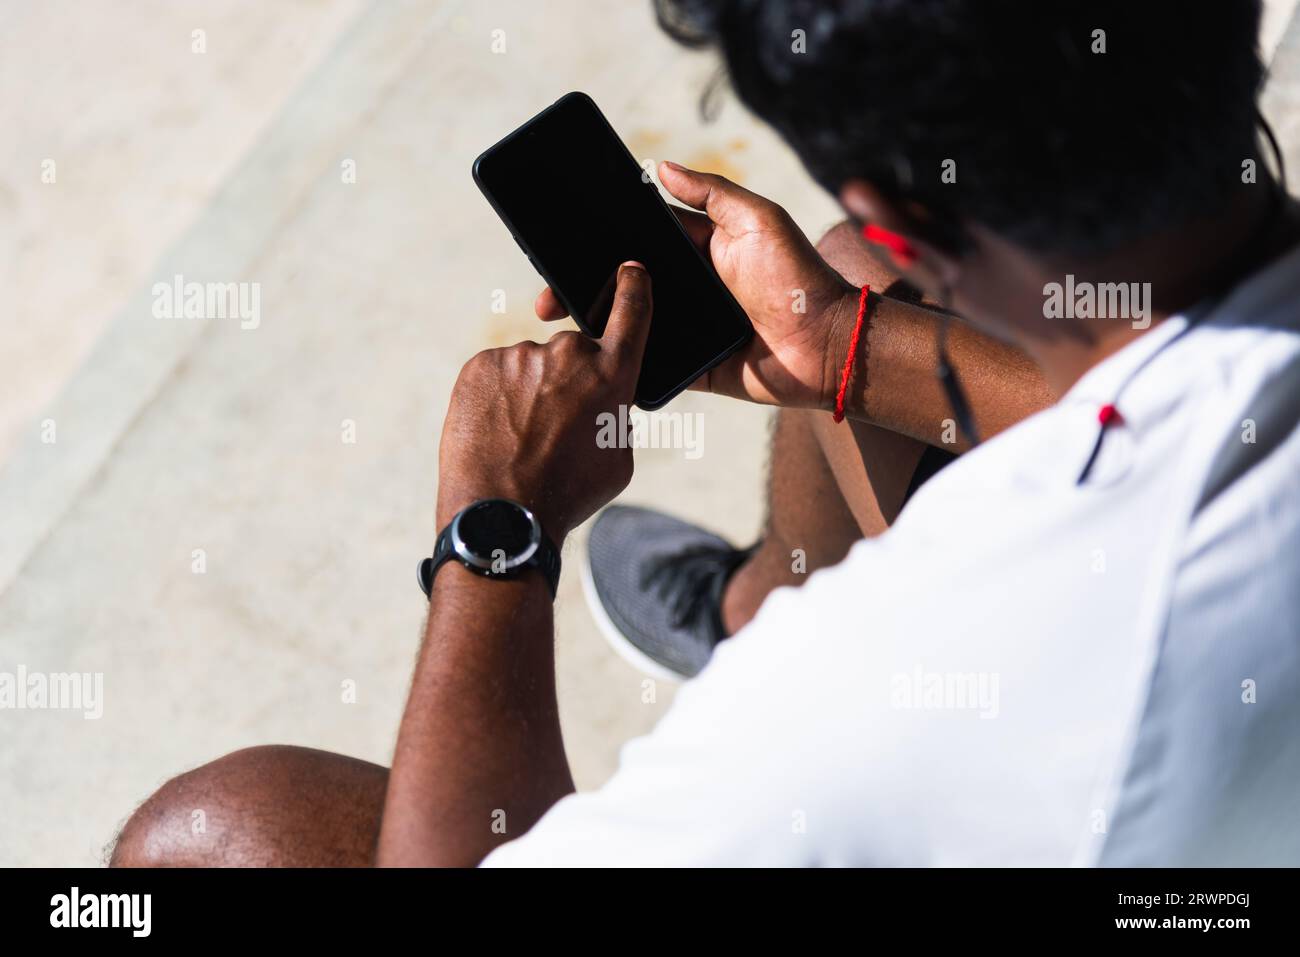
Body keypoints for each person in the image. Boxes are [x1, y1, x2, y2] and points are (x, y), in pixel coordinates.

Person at [110, 0, 1300, 866]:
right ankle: (742, 608)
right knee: (841, 298)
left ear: (900, 218)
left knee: (212, 839)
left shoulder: (867, 687)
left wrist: (497, 532)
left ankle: (749, 618)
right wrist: (838, 337)